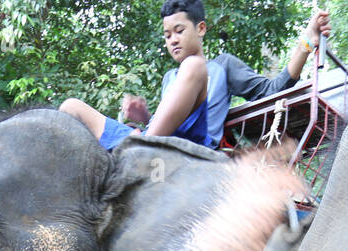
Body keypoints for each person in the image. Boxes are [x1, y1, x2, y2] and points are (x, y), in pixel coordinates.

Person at [63, 2, 331, 151]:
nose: (173, 40)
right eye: (167, 36)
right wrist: (145, 117)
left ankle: (138, 151)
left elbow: (275, 88)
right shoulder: (171, 77)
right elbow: (170, 121)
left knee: (193, 66)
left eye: (179, 31)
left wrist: (307, 43)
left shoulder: (218, 66)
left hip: (189, 148)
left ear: (200, 28)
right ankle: (132, 150)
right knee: (70, 108)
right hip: (150, 138)